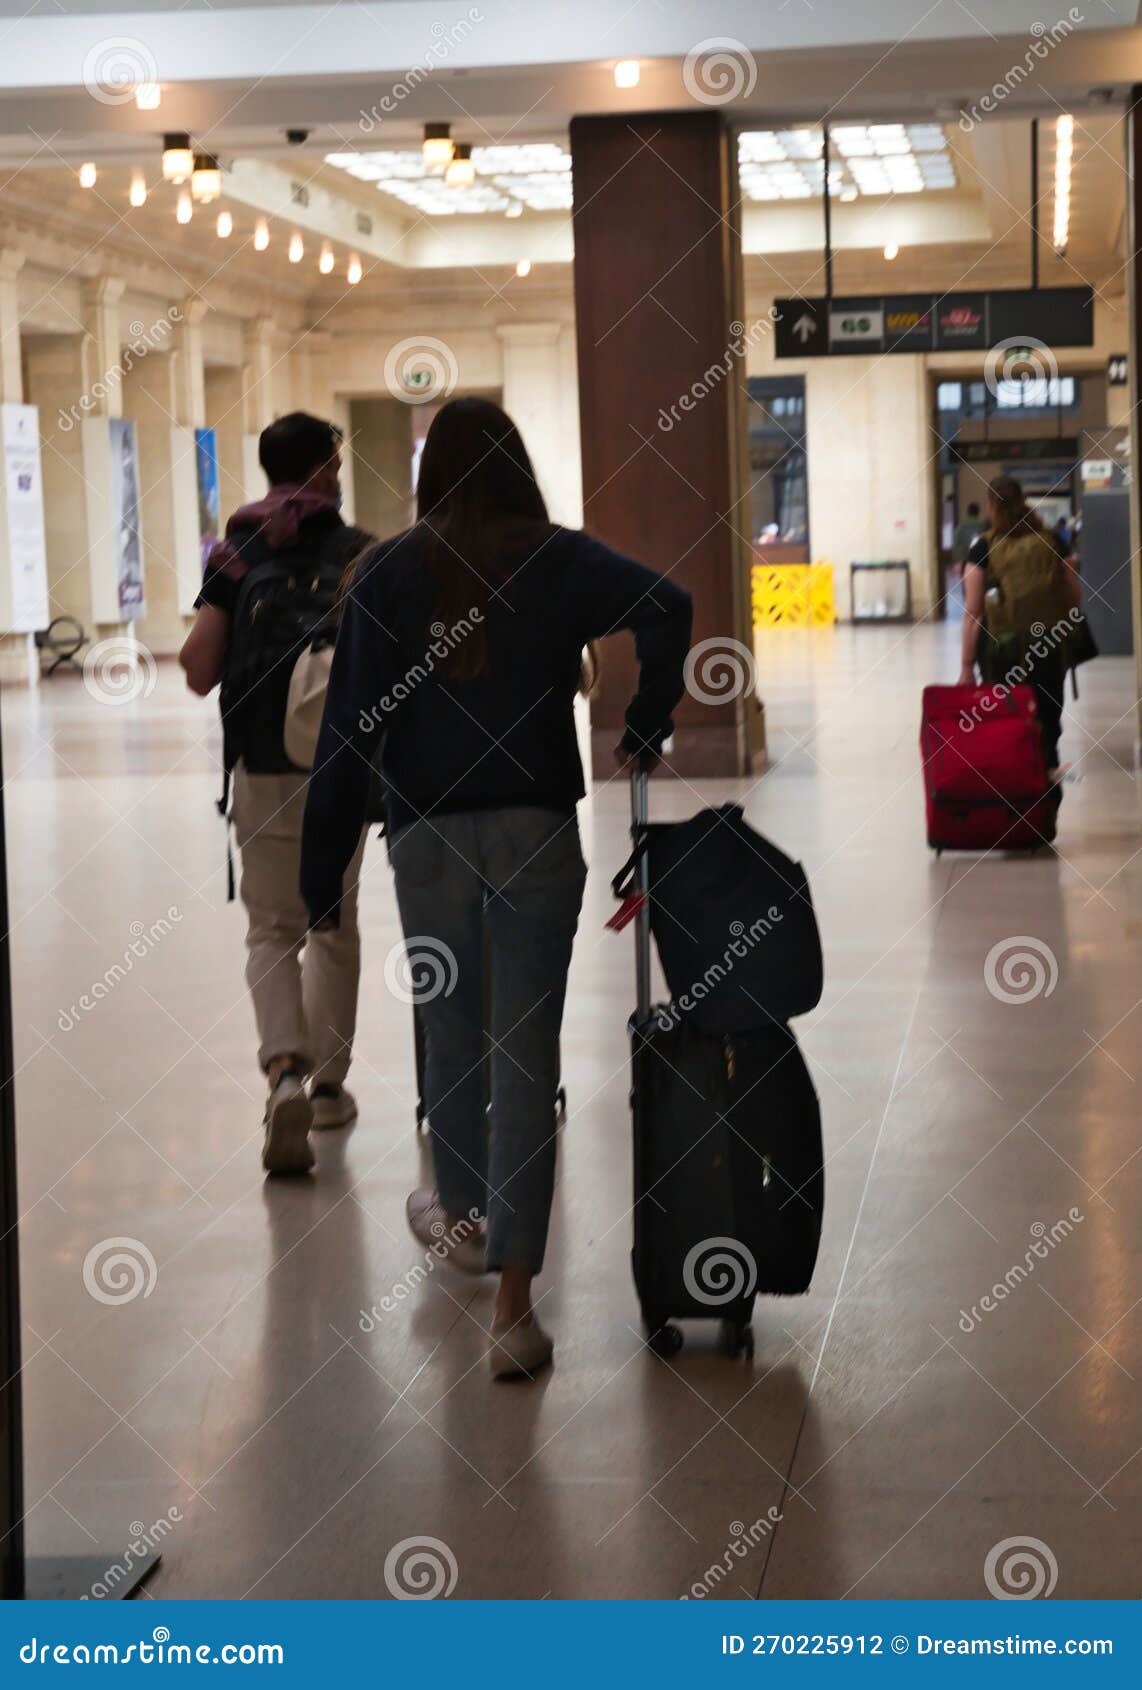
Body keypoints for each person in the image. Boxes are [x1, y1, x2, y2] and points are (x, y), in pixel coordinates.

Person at [300, 397, 692, 1379]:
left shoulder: (386, 572)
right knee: (525, 1053)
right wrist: (644, 721)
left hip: (426, 834)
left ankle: (463, 1218)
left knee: (449, 1031)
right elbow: (668, 603)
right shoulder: (555, 558)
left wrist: (320, 874)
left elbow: (346, 734)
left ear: (430, 475)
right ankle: (514, 1308)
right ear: (516, 467)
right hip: (536, 829)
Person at [179, 413, 372, 1175]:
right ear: (322, 469)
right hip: (342, 767)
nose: (339, 476)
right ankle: (327, 1090)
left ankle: (284, 1071)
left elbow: (198, 668)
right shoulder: (361, 552)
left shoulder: (237, 554)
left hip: (260, 763)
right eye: (336, 464)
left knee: (270, 930)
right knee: (332, 923)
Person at [959, 474, 1081, 837]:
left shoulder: (983, 547)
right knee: (1048, 730)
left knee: (1009, 731)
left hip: (1002, 657)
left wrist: (966, 666)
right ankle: (1048, 812)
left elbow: (973, 612)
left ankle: (1013, 815)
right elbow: (1074, 596)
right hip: (1049, 651)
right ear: (1023, 500)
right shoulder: (1053, 541)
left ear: (991, 505)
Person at [952, 500, 984, 572]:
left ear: (968, 513)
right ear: (978, 513)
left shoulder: (961, 528)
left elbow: (955, 547)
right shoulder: (983, 528)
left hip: (965, 562)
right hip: (979, 563)